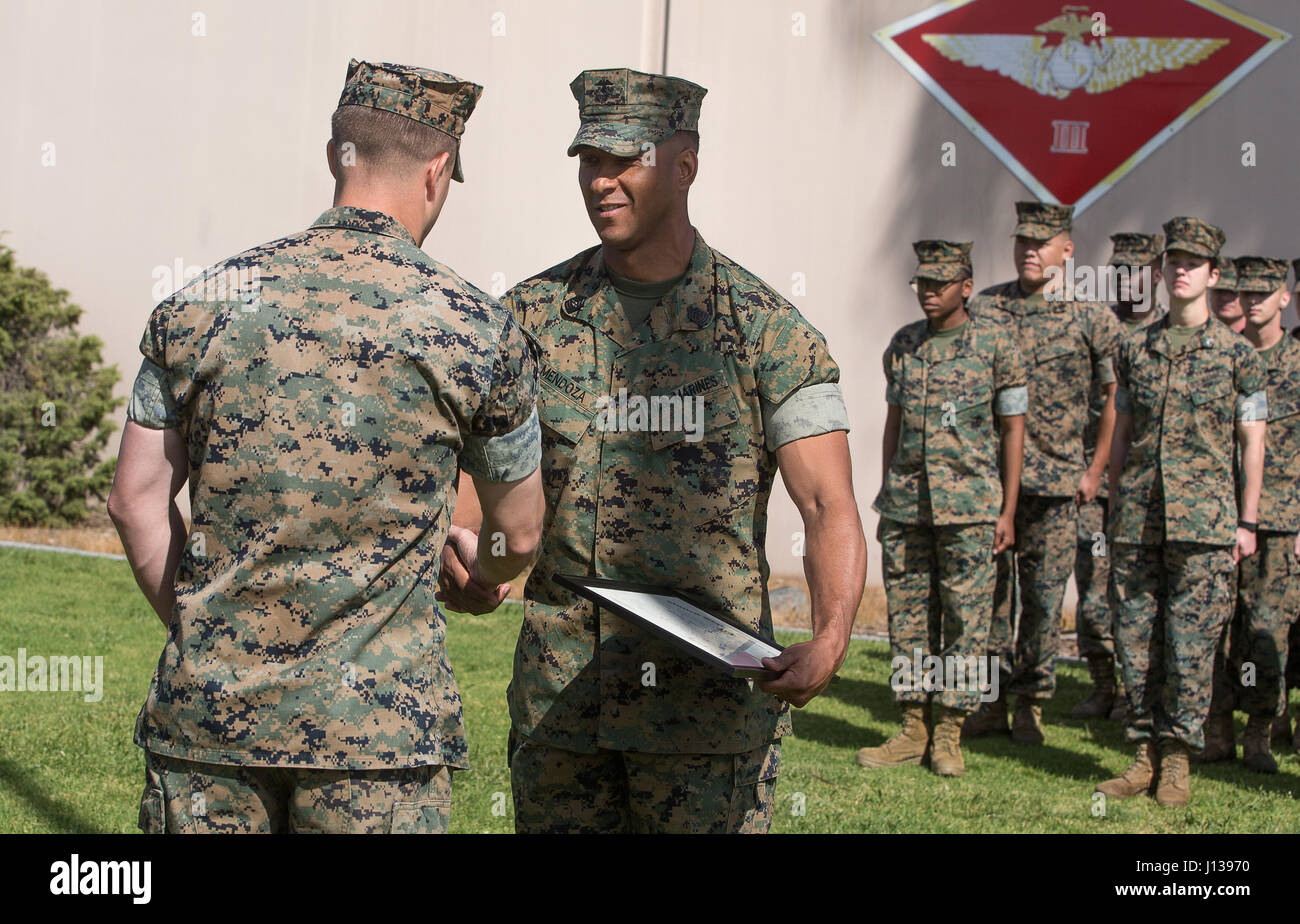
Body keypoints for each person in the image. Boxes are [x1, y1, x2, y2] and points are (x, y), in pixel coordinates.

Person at [108, 59, 545, 834]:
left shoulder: (196, 304)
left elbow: (135, 500)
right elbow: (522, 532)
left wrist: (199, 630)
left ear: (336, 155)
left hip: (208, 729)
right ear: (438, 170)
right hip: (377, 745)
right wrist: (485, 574)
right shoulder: (477, 330)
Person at [439, 67, 866, 833]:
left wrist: (832, 634)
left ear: (685, 165)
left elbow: (828, 504)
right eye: (588, 161)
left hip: (704, 723)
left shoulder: (768, 332)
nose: (600, 181)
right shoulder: (529, 320)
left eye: (622, 159)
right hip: (562, 707)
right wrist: (470, 557)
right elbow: (482, 483)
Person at [1097, 217, 1267, 807]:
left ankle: (1177, 761)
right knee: (1136, 641)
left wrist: (1246, 523)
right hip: (1137, 522)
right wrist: (1115, 505)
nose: (1182, 269)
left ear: (1214, 274)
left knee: (1192, 646)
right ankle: (1142, 754)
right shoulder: (1133, 347)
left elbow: (1253, 441)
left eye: (1194, 262)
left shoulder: (1238, 357)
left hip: (1205, 525)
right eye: (1174, 260)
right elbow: (1121, 435)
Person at [857, 240, 1025, 777]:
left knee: (966, 623)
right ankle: (912, 728)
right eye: (922, 283)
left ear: (966, 287)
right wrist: (887, 492)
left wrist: (1008, 510)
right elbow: (894, 425)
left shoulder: (997, 345)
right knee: (907, 621)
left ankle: (949, 733)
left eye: (939, 283)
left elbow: (1013, 431)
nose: (928, 292)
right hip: (908, 508)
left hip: (972, 508)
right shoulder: (903, 344)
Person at [964, 202, 1122, 744]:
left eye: (1042, 242)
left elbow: (1113, 396)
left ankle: (1030, 704)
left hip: (1058, 486)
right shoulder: (986, 309)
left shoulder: (1091, 317)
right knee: (991, 600)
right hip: (989, 482)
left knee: (1044, 600)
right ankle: (988, 702)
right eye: (1022, 242)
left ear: (1067, 249)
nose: (1030, 251)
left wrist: (1095, 468)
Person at [1199, 257, 1297, 773]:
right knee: (1213, 625)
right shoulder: (1221, 357)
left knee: (1264, 628)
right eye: (1248, 292)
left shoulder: (1299, 363)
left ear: (1285, 298)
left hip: (1280, 519)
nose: (1255, 300)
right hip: (1215, 512)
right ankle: (1217, 728)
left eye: (1267, 292)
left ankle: (1258, 731)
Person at [1069, 232, 1164, 721]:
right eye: (1121, 271)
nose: (1129, 281)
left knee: (1138, 596)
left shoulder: (1166, 333)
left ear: (1158, 271)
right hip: (1097, 487)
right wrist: (1093, 472)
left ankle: (1138, 693)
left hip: (1147, 490)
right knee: (1093, 594)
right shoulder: (1098, 325)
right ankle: (1103, 685)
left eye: (1139, 270)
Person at [1207, 258, 1245, 333]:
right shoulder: (1199, 336)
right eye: (1219, 291)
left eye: (1234, 292)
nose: (1225, 298)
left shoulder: (1258, 338)